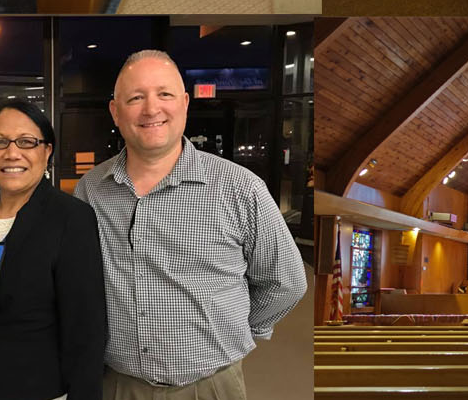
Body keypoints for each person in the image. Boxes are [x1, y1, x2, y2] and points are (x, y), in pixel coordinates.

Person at [75, 51, 306, 400]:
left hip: (210, 386)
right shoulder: (91, 190)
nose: (151, 109)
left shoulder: (240, 188)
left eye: (164, 94)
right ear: (116, 112)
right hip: (117, 385)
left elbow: (285, 281)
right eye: (136, 98)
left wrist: (235, 331)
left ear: (184, 103)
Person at [0, 99, 106, 400]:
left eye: (26, 142)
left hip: (38, 388)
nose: (12, 153)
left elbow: (86, 331)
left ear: (46, 151)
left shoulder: (70, 218)